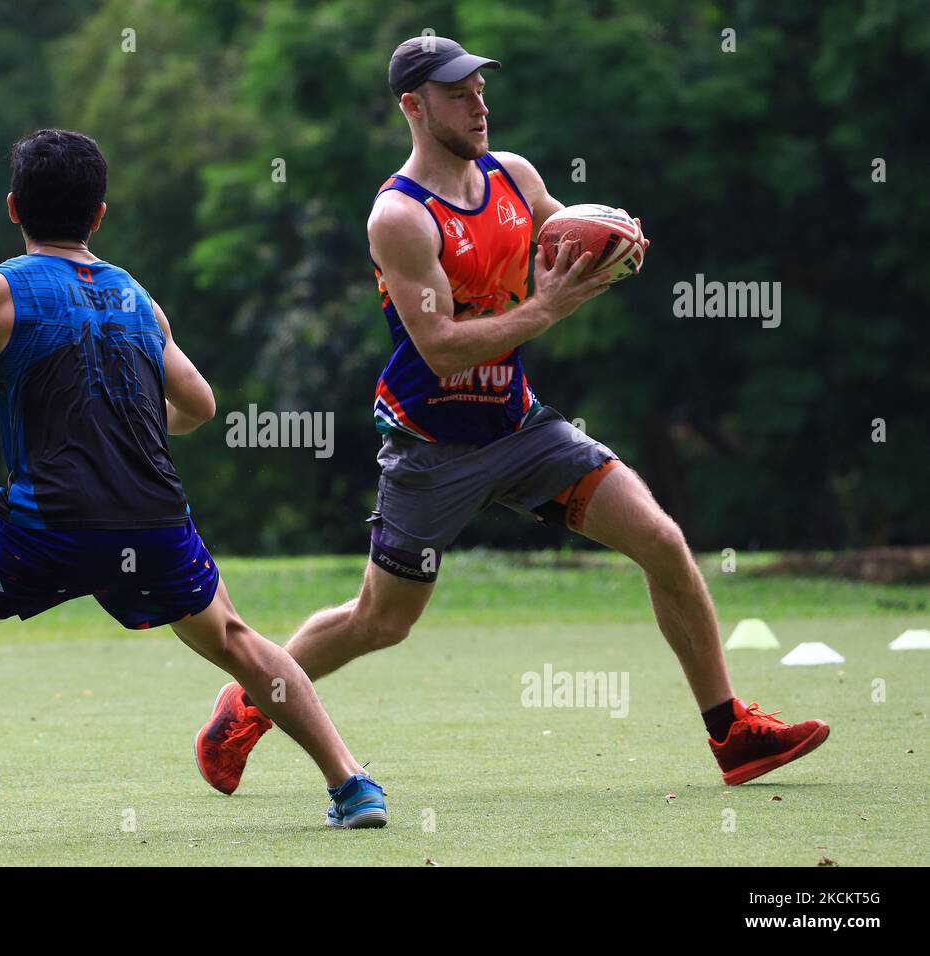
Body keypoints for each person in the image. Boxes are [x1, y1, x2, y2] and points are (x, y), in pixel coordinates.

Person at [194, 37, 828, 796]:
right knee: (381, 621)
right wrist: (546, 308)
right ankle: (250, 704)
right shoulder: (400, 216)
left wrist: (614, 243)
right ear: (413, 106)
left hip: (521, 428)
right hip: (430, 447)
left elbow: (565, 240)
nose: (478, 103)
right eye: (458, 92)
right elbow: (441, 352)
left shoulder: (514, 177)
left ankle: (732, 734)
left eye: (480, 88)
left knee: (661, 540)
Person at [0, 129, 386, 854]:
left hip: (45, 529)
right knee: (237, 640)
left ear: (12, 207)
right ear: (99, 215)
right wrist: (143, 426)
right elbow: (202, 405)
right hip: (155, 523)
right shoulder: (137, 298)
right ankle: (350, 783)